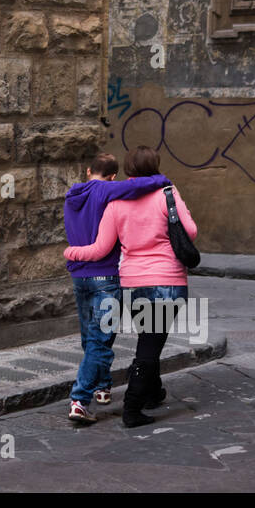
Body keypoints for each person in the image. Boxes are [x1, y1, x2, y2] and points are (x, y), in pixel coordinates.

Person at [65, 146, 195, 428]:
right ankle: (132, 408)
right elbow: (190, 232)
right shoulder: (166, 193)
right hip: (165, 280)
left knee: (148, 337)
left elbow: (101, 247)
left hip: (131, 283)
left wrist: (73, 253)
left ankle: (151, 391)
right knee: (148, 344)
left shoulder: (114, 203)